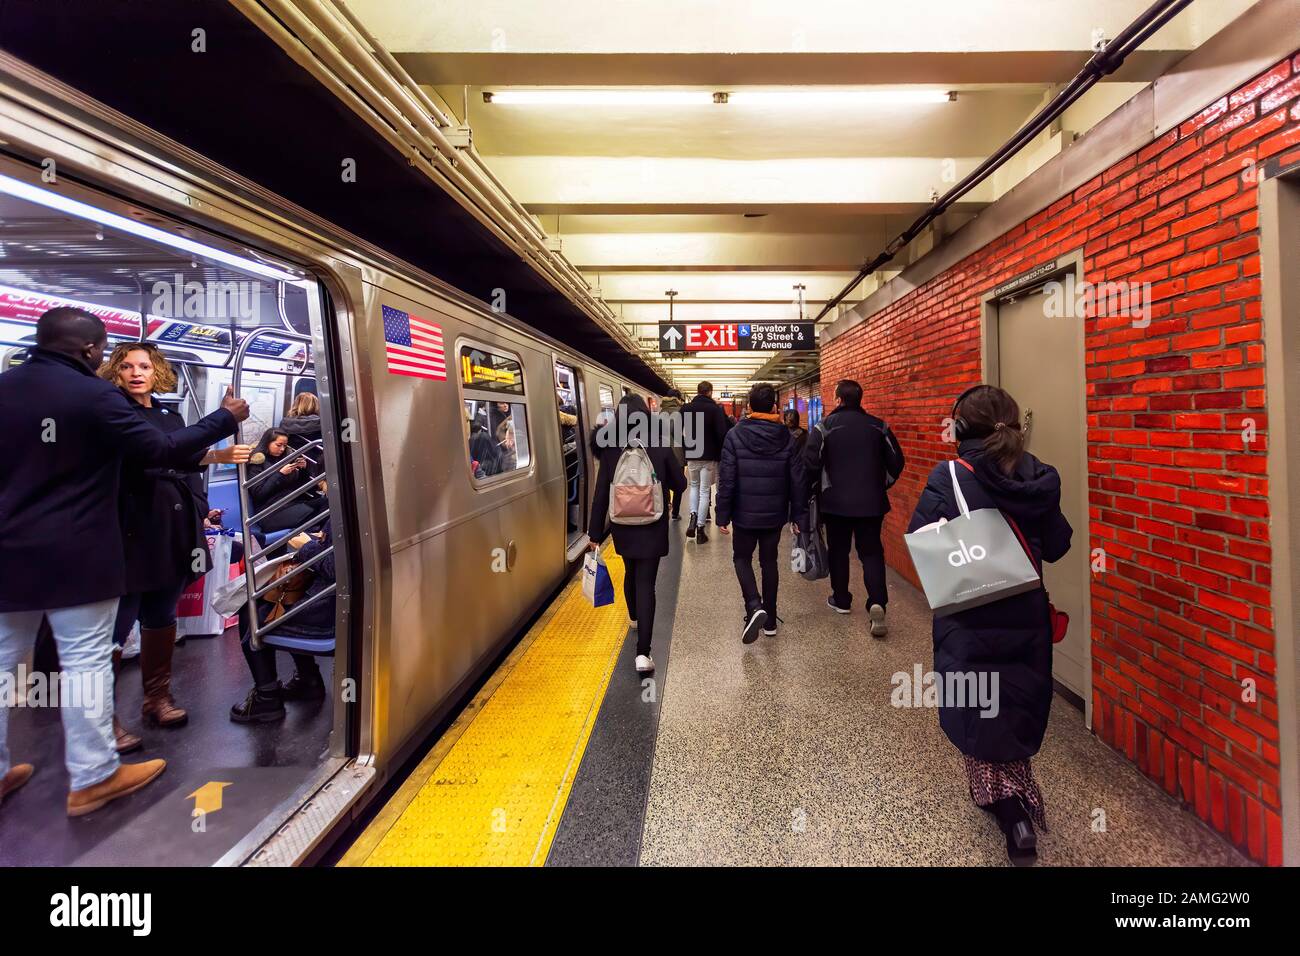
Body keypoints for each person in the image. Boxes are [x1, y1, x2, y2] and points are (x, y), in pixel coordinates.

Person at [0, 307, 246, 816]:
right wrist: (226, 419)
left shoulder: (4, 387)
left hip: (8, 554)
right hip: (78, 554)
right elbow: (157, 448)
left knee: (2, 664)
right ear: (92, 351)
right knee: (86, 660)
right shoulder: (94, 396)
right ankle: (93, 777)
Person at [908, 384, 1072, 865]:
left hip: (969, 612)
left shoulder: (950, 475)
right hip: (1025, 612)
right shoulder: (1036, 473)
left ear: (960, 428)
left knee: (978, 704)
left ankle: (1008, 810)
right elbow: (1059, 544)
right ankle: (1018, 802)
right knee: (1016, 699)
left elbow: (924, 546)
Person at [99, 343, 252, 743]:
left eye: (144, 366)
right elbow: (154, 454)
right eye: (127, 366)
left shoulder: (169, 415)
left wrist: (209, 474)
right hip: (128, 528)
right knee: (115, 625)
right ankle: (102, 719)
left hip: (170, 526)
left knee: (162, 615)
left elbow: (183, 458)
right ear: (115, 372)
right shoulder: (114, 415)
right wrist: (221, 422)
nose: (136, 373)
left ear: (157, 373)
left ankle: (157, 697)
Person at [587, 394, 687, 675]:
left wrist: (594, 533)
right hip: (652, 524)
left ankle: (633, 617)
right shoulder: (658, 442)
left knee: (630, 571)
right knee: (647, 583)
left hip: (622, 524)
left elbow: (600, 494)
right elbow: (679, 485)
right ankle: (643, 654)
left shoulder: (608, 446)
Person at [804, 379, 905, 637]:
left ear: (838, 399)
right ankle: (877, 602)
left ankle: (841, 599)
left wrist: (815, 491)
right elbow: (897, 462)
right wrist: (881, 485)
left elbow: (811, 463)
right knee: (871, 552)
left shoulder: (823, 427)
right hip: (872, 503)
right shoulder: (879, 426)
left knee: (839, 551)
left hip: (835, 503)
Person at [715, 383, 807, 643]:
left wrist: (722, 514)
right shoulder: (786, 437)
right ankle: (770, 622)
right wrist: (798, 515)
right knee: (769, 562)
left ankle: (754, 606)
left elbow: (727, 480)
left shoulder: (734, 435)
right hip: (774, 514)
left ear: (750, 407)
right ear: (775, 408)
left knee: (741, 559)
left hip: (744, 515)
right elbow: (797, 479)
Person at [230, 520, 335, 723]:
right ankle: (307, 679)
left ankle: (266, 697)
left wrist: (306, 546)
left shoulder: (347, 509)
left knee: (250, 612)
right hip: (331, 600)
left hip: (328, 609)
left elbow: (333, 566)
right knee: (284, 598)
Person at [246, 427, 329, 535]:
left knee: (327, 503)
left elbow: (298, 486)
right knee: (321, 512)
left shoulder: (284, 458)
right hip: (269, 512)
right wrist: (280, 474)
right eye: (278, 445)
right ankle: (313, 538)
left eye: (284, 446)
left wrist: (304, 470)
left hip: (290, 504)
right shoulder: (257, 462)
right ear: (267, 443)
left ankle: (317, 538)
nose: (282, 449)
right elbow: (259, 494)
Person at [681, 381, 731, 543]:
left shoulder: (685, 409)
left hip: (692, 454)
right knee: (704, 490)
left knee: (694, 487)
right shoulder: (715, 409)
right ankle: (701, 529)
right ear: (710, 392)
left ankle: (693, 517)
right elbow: (721, 433)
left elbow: (680, 433)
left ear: (698, 391)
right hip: (709, 456)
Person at [278, 390, 323, 480]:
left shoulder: (285, 423)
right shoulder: (321, 423)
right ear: (315, 405)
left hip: (292, 465)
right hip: (317, 466)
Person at [658, 388, 687, 520]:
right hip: (677, 454)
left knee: (663, 482)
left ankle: (666, 505)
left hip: (661, 452)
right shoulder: (680, 413)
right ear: (678, 399)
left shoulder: (660, 413)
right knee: (678, 482)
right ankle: (675, 512)